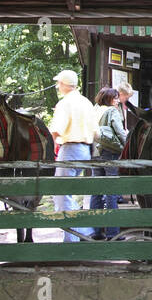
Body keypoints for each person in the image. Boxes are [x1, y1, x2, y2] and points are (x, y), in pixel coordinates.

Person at [49, 69, 97, 241]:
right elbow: (96, 132)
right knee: (69, 192)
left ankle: (79, 233)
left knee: (61, 192)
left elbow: (56, 130)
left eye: (58, 83)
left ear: (63, 84)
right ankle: (78, 232)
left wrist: (55, 145)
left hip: (69, 149)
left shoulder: (65, 104)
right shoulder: (86, 102)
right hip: (85, 150)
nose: (57, 86)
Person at [91, 87, 129, 239]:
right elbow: (120, 132)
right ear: (109, 99)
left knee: (96, 192)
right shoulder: (112, 111)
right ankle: (113, 232)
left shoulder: (95, 110)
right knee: (111, 192)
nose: (117, 101)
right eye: (115, 98)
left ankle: (96, 231)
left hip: (95, 153)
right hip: (110, 152)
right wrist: (127, 148)